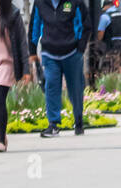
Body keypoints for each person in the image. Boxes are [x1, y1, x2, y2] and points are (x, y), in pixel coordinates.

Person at [28, 0, 92, 138]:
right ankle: (53, 124)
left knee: (75, 89)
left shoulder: (75, 2)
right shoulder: (40, 2)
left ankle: (78, 120)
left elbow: (86, 25)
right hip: (49, 53)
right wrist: (32, 51)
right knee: (51, 85)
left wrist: (80, 49)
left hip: (72, 53)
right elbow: (34, 25)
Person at [0, 0, 27, 152]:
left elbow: (22, 42)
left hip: (6, 62)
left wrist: (26, 69)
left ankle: (1, 141)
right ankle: (2, 132)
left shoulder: (12, 13)